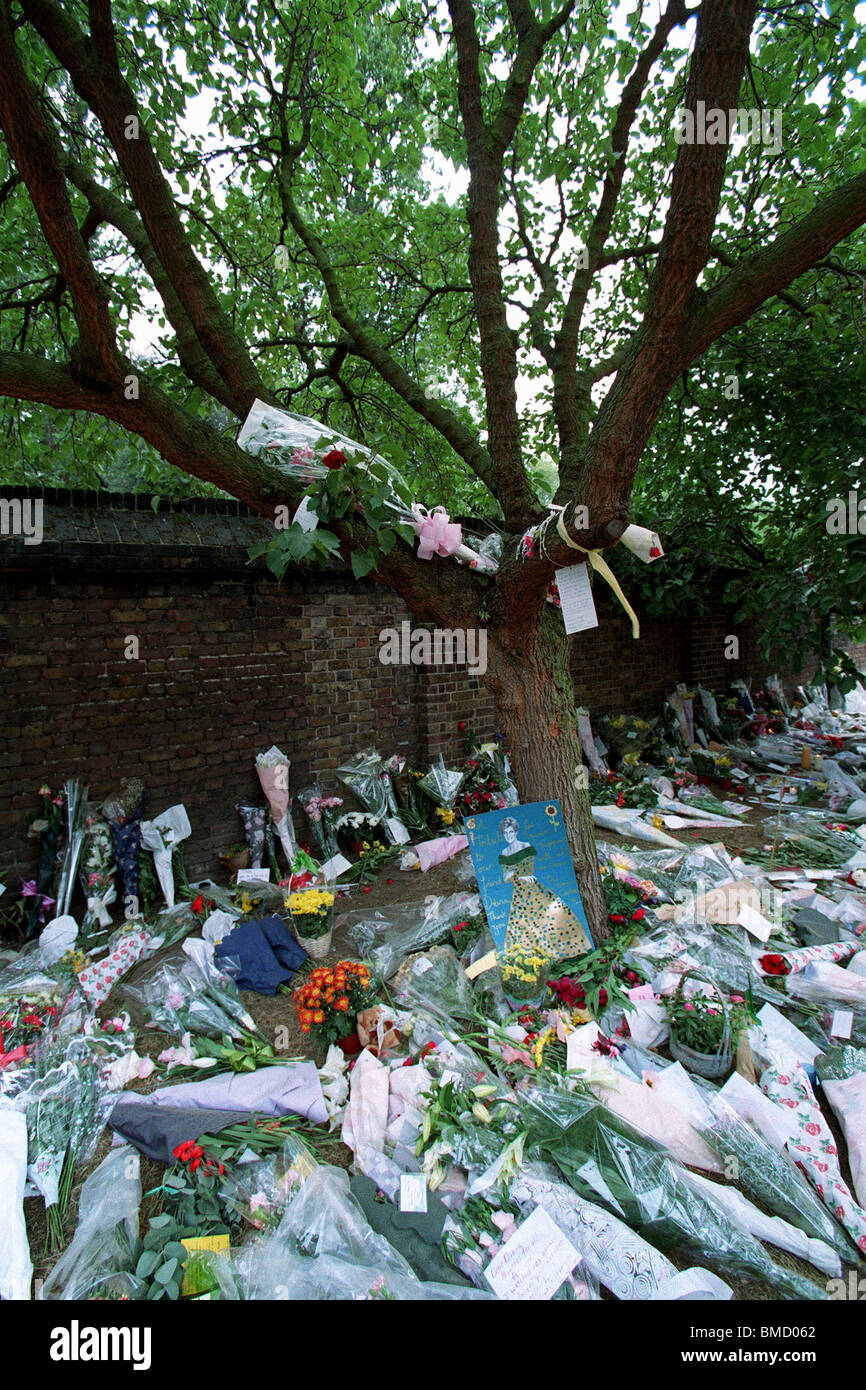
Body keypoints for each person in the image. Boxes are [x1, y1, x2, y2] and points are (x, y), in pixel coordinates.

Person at [498, 817, 591, 957]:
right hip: (518, 893)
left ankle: (560, 953)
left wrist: (515, 875)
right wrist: (519, 877)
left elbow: (528, 869)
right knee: (521, 926)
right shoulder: (504, 852)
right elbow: (505, 877)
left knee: (547, 918)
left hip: (532, 890)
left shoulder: (525, 846)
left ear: (516, 832)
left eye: (511, 832)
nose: (508, 835)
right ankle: (536, 959)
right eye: (506, 833)